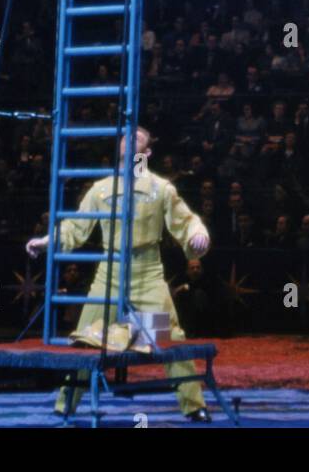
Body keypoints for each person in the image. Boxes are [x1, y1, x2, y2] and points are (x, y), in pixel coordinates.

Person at [27, 127, 212, 423]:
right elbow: (76, 227)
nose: (129, 137)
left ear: (147, 152)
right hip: (109, 273)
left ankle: (193, 405)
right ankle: (65, 402)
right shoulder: (101, 189)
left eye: (137, 137)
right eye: (125, 136)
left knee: (168, 338)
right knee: (86, 341)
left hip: (147, 274)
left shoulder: (161, 188)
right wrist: (47, 242)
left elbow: (187, 222)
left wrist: (197, 236)